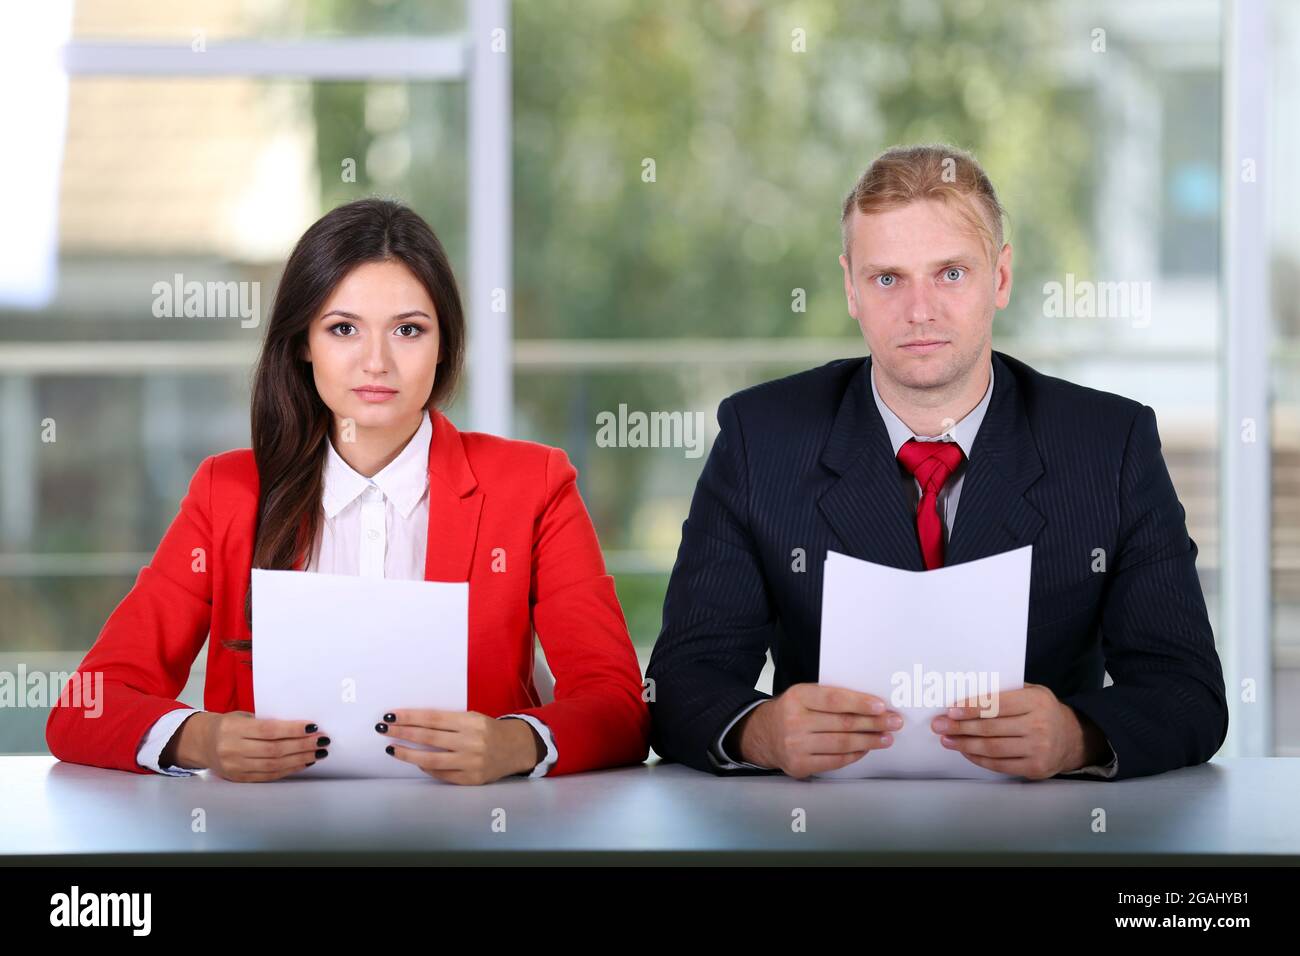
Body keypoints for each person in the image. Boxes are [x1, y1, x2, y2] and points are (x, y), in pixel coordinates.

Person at [646, 144, 1227, 782]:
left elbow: (1188, 690)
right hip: (823, 832)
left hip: (1040, 834)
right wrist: (760, 732)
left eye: (950, 273)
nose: (919, 310)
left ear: (1000, 278)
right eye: (887, 278)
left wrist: (1079, 736)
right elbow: (678, 684)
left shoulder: (1109, 443)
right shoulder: (762, 438)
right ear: (851, 288)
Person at [46, 198, 650, 784]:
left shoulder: (533, 486)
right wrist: (201, 738)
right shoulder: (225, 494)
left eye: (409, 329)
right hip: (265, 840)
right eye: (343, 329)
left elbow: (619, 706)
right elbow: (84, 708)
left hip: (472, 838)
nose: (377, 362)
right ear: (304, 344)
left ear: (444, 345)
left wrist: (514, 745)